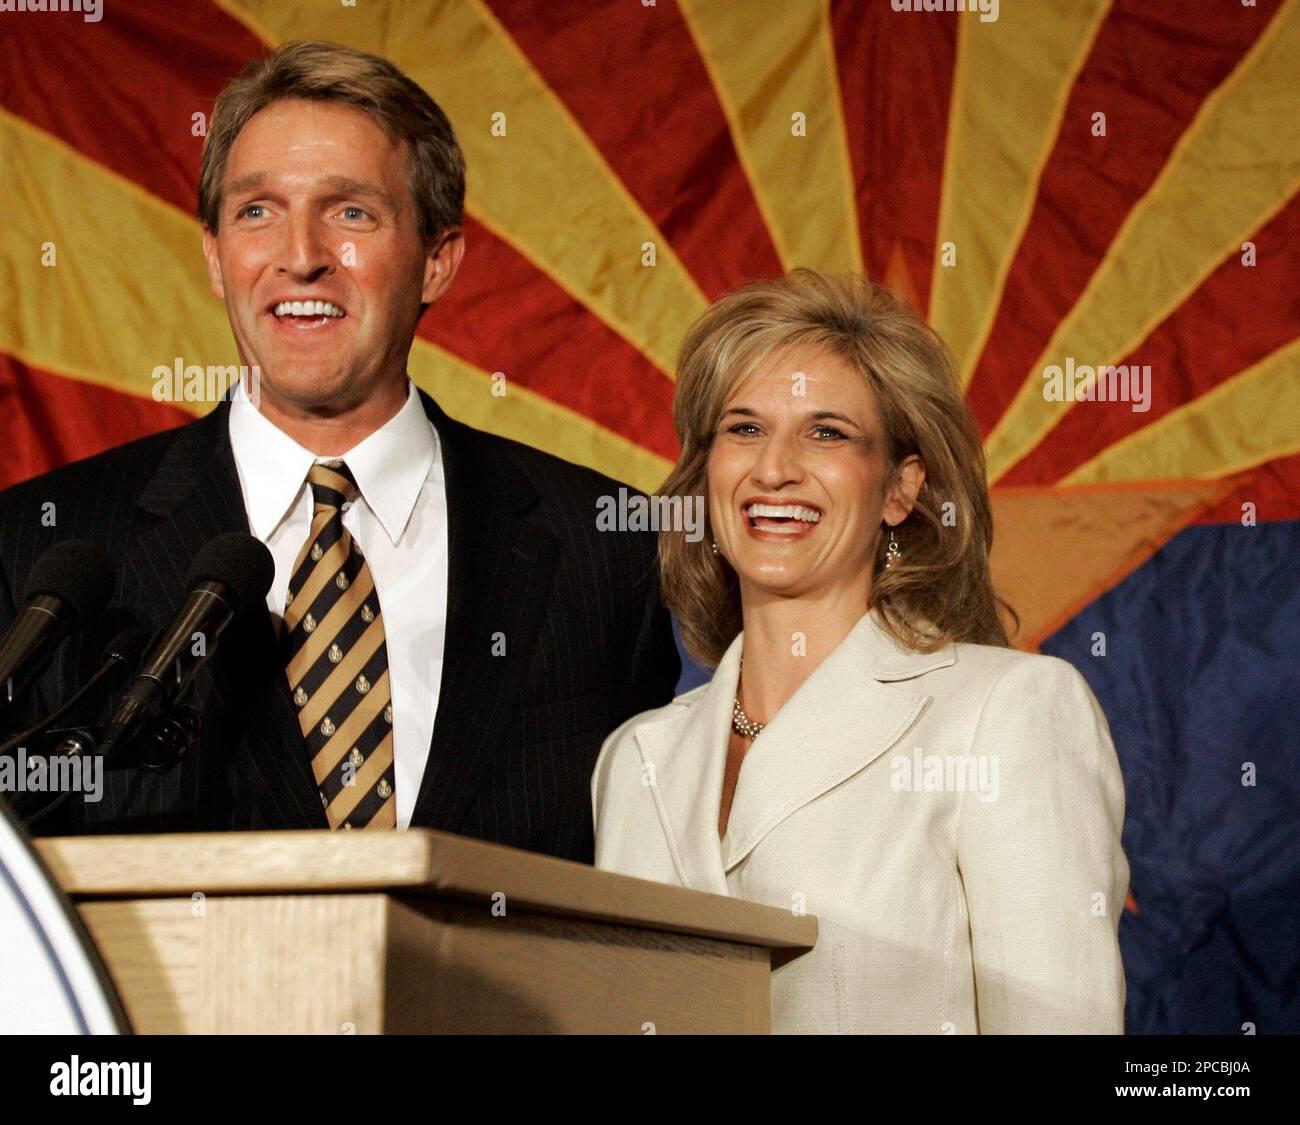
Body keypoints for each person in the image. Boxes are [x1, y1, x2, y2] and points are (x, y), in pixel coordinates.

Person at [0, 41, 679, 858]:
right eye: (257, 211)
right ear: (216, 257)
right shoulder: (43, 549)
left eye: (351, 212)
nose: (301, 256)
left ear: (437, 260)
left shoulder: (604, 550)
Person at [592, 269, 1129, 1032]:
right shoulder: (636, 761)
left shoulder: (1007, 714)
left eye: (826, 432)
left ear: (900, 488)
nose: (774, 467)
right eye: (744, 428)